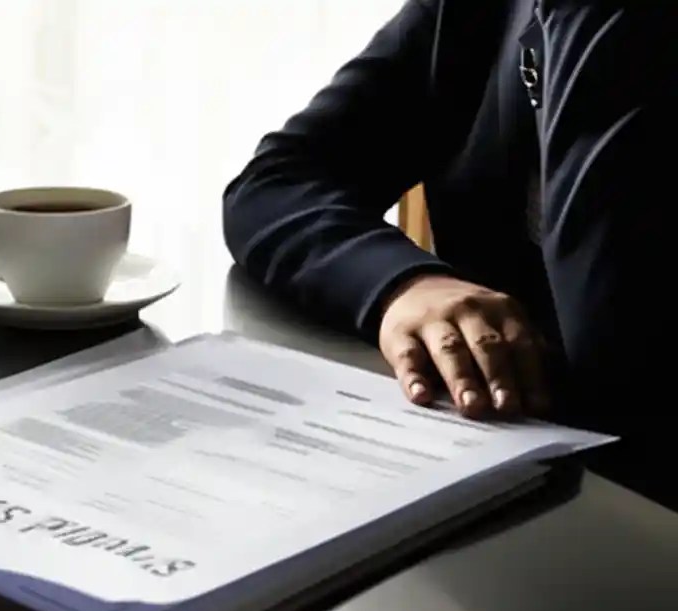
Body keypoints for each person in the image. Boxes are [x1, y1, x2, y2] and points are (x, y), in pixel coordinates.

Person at [223, 0, 676, 505]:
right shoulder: (474, 12)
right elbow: (270, 187)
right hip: (503, 470)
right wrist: (405, 284)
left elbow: (615, 364)